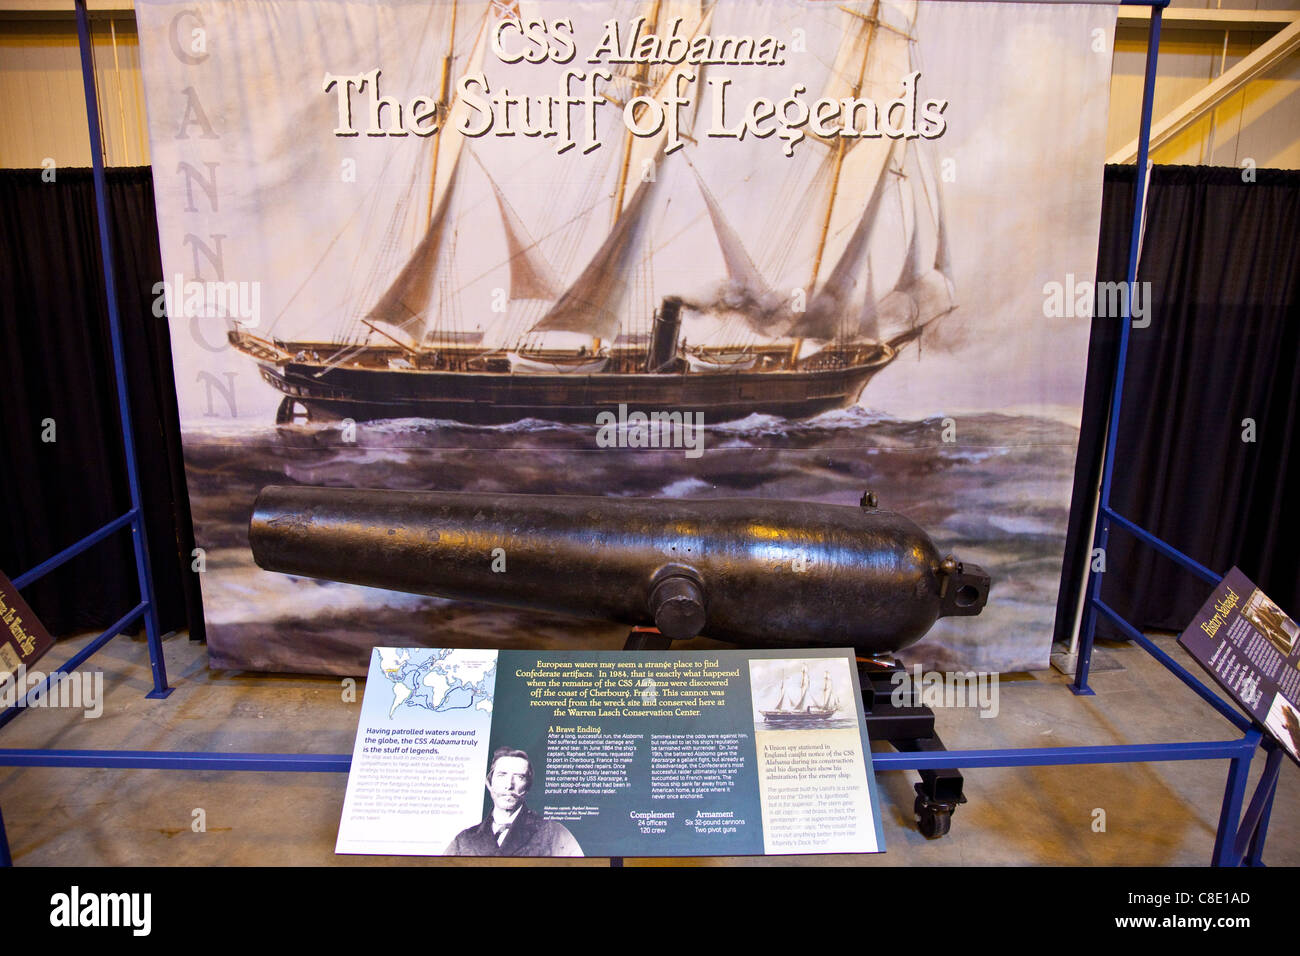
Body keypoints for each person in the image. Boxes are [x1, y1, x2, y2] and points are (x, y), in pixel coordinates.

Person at [444, 747, 583, 857]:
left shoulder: (554, 834)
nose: (509, 785)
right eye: (501, 775)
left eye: (519, 777)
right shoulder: (464, 840)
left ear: (527, 786)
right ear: (490, 782)